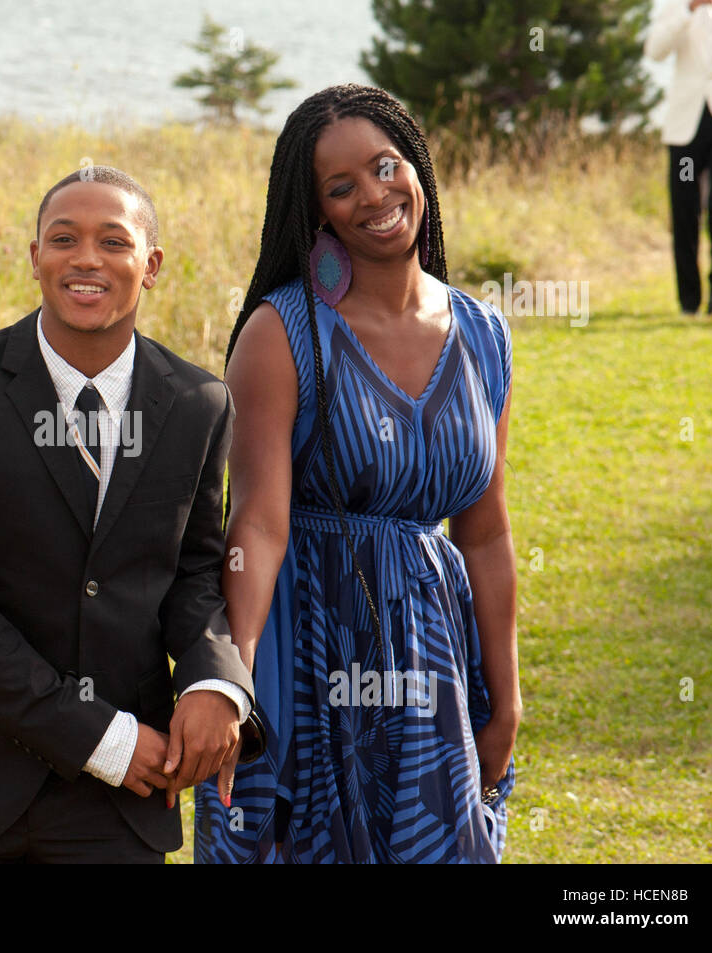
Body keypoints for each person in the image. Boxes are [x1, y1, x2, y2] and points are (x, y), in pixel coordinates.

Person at [0, 166, 258, 863]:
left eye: (113, 240)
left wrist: (214, 679)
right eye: (64, 238)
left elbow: (194, 574)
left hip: (119, 805)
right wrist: (100, 738)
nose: (86, 258)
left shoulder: (200, 403)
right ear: (35, 258)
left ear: (151, 264)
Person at [193, 85, 521, 863]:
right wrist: (231, 687)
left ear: (417, 168)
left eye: (385, 166)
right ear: (319, 214)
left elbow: (487, 531)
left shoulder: (483, 334)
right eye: (342, 187)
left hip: (434, 655)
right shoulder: (282, 332)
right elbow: (259, 527)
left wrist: (506, 700)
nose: (375, 194)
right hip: (308, 648)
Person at [646, 0, 712, 314]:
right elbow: (655, 50)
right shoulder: (677, 7)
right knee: (685, 209)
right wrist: (688, 11)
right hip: (688, 127)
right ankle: (689, 299)